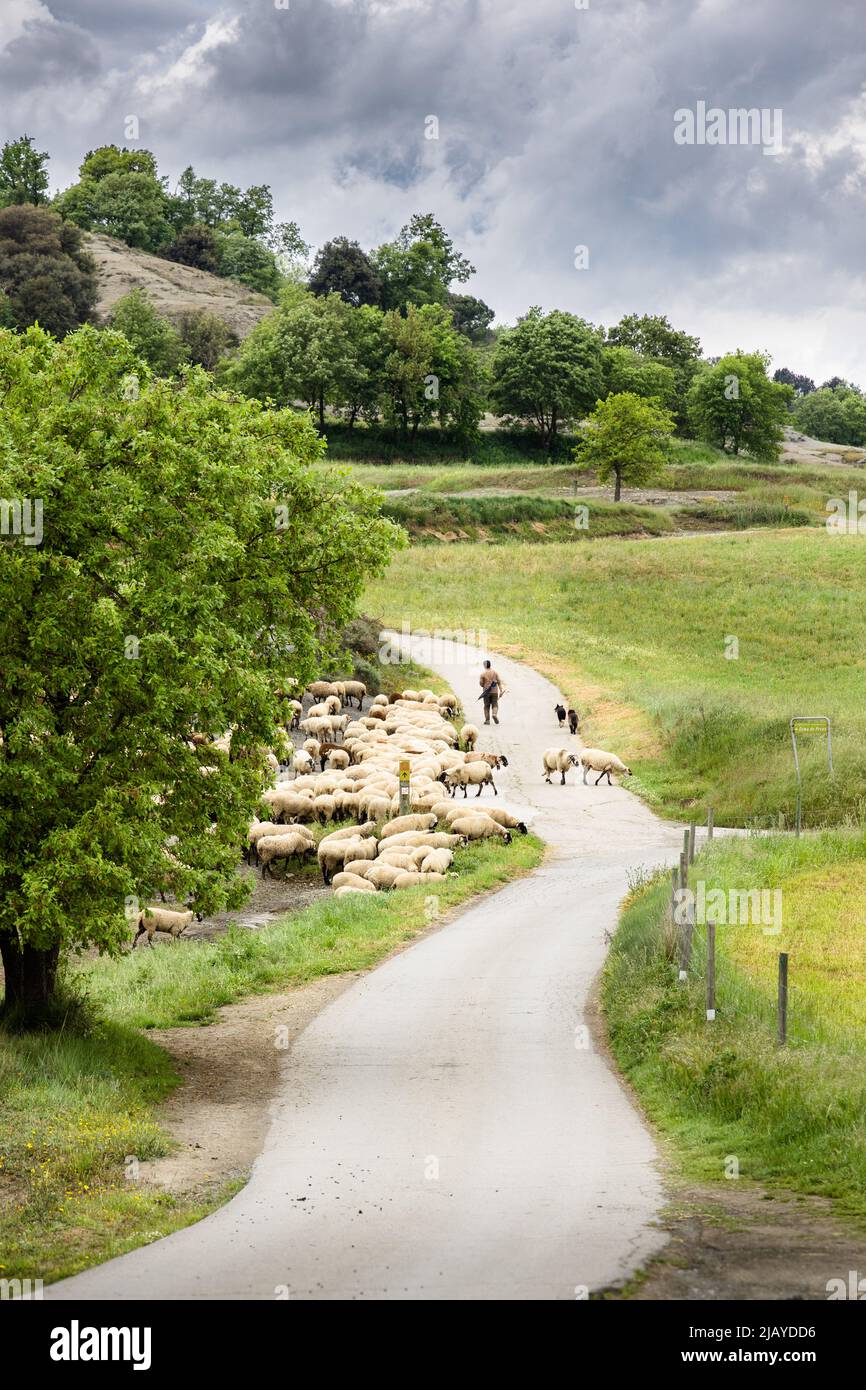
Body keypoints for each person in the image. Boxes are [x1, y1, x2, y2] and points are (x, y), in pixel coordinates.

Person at [478, 659, 504, 725]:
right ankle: (494, 714)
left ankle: (487, 720)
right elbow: (499, 682)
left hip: (486, 692)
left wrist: (484, 684)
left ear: (484, 665)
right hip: (495, 691)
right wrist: (501, 691)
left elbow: (481, 684)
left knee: (486, 706)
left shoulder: (482, 674)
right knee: (495, 704)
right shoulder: (495, 672)